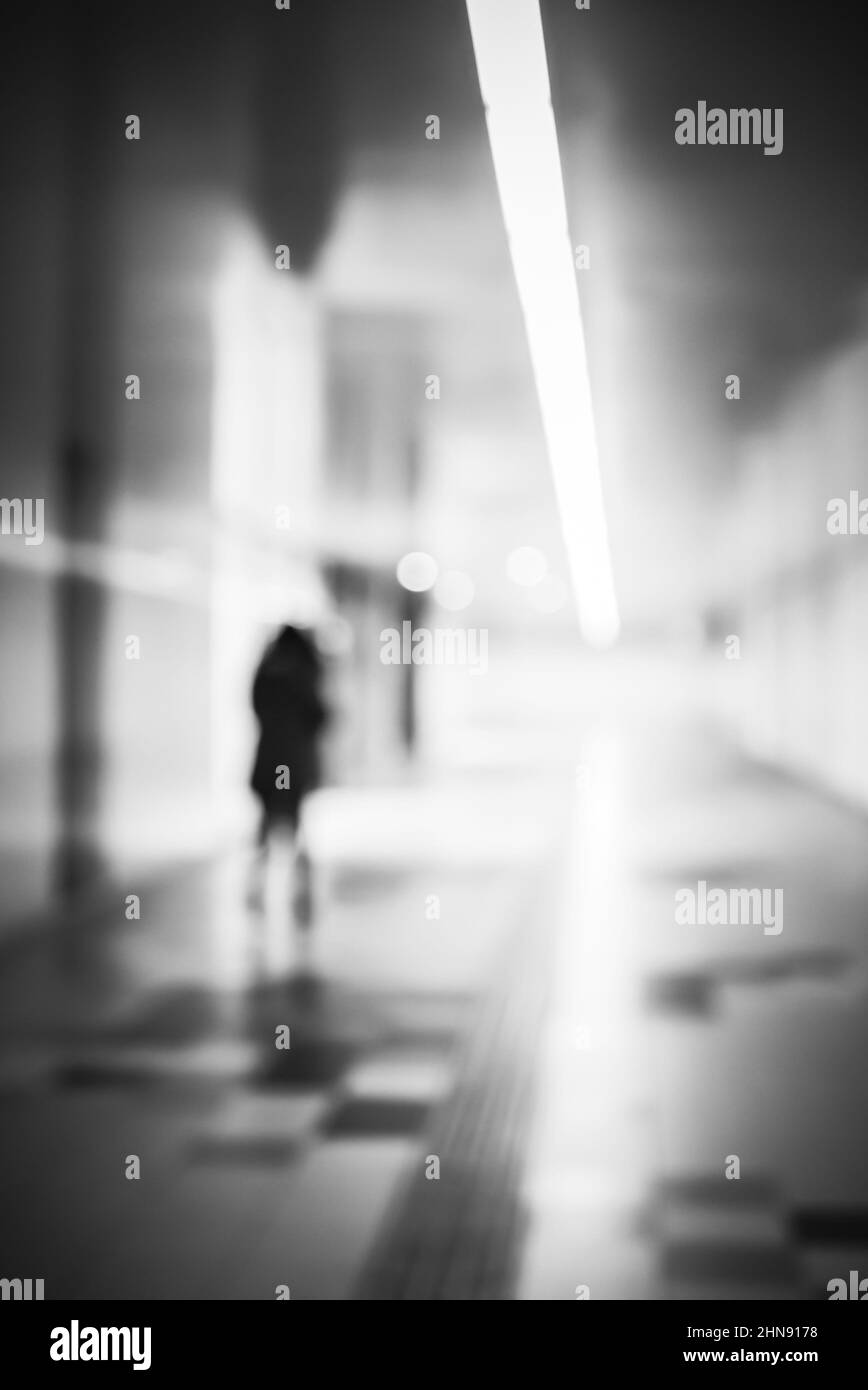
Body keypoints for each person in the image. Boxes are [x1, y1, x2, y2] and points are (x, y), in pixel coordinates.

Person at [247, 624, 328, 927]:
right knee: (295, 821)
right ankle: (300, 891)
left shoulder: (267, 668)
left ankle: (256, 885)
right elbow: (317, 713)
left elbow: (256, 705)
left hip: (269, 758)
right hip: (293, 759)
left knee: (267, 821)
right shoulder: (305, 669)